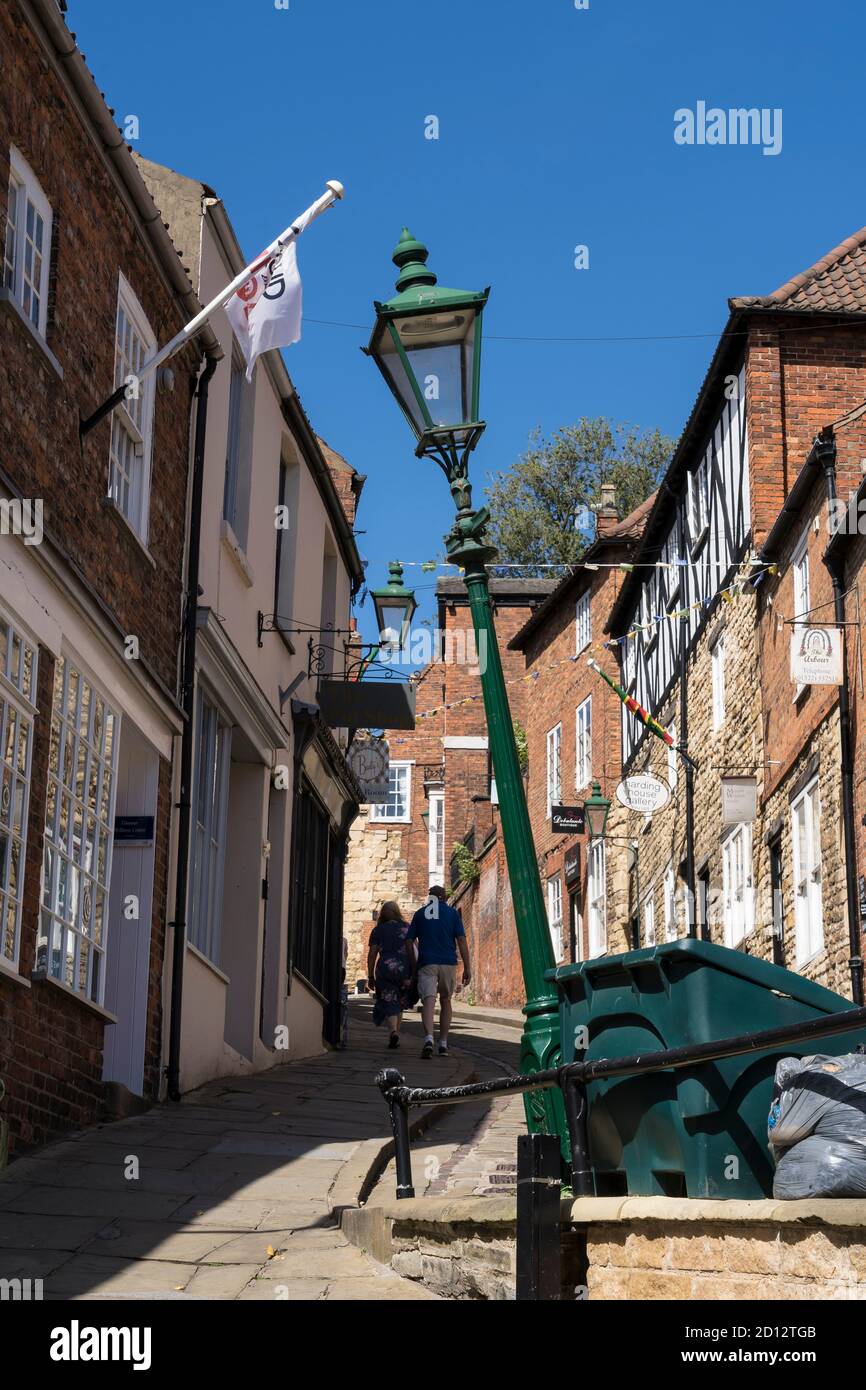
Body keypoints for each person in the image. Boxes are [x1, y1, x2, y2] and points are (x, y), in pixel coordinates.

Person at [407, 885, 471, 1058]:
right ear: (444, 897)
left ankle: (429, 1038)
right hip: (448, 963)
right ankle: (443, 1043)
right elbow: (462, 940)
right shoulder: (452, 914)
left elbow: (409, 941)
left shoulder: (420, 914)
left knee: (428, 1001)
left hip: (427, 963)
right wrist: (467, 966)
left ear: (430, 898)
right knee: (445, 1000)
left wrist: (414, 964)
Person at [367, 902, 414, 1049]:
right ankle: (395, 1033)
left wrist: (370, 976)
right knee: (399, 1002)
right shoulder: (407, 928)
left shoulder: (378, 930)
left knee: (389, 1001)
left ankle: (393, 1032)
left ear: (382, 914)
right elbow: (414, 951)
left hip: (385, 969)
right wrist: (413, 972)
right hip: (404, 969)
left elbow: (372, 954)